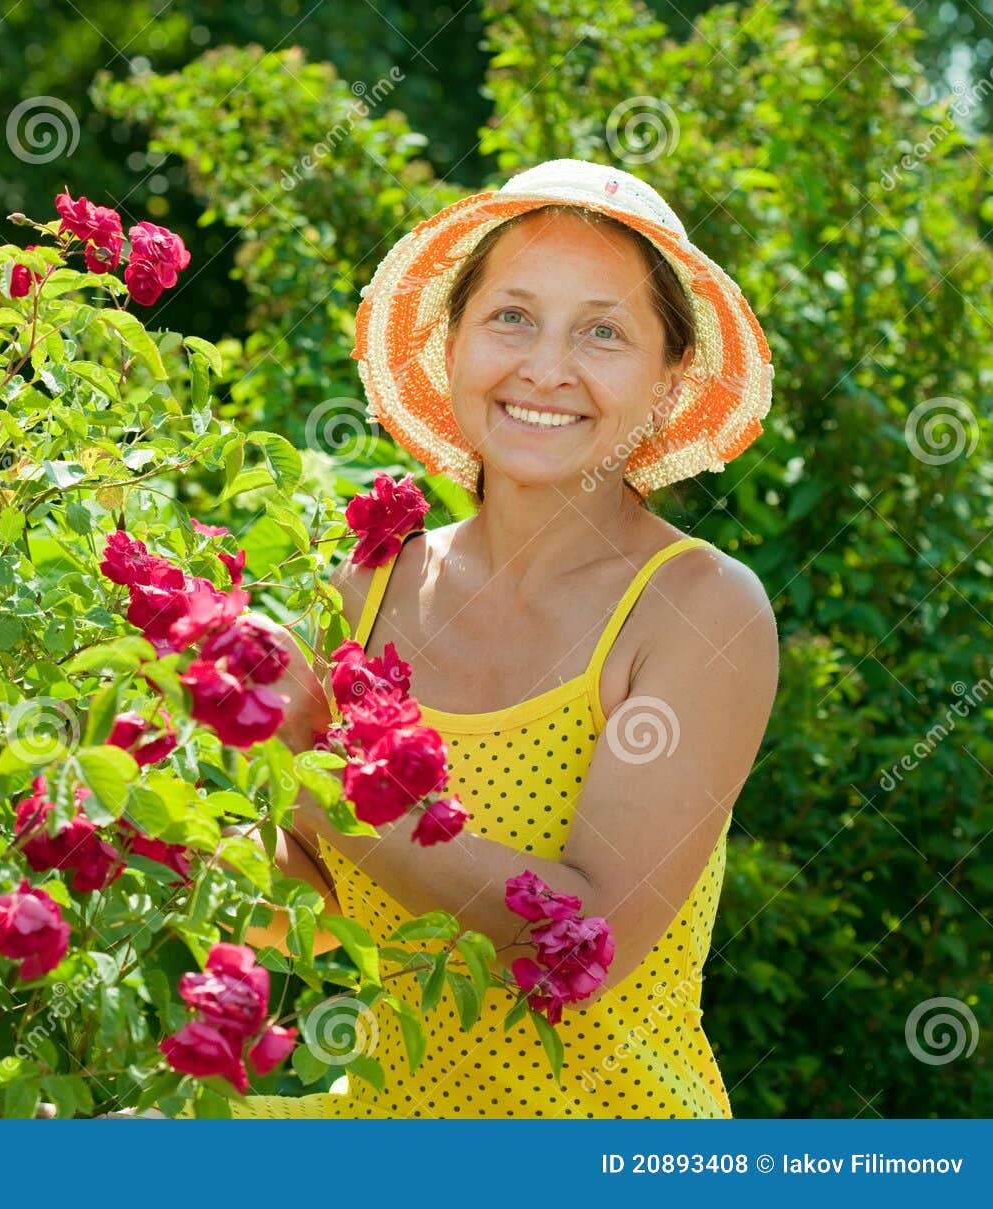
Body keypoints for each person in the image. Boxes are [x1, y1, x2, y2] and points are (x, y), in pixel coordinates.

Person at [213, 158, 780, 1118]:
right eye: (512, 316)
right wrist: (188, 796)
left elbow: (579, 943)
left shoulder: (701, 609)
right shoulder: (368, 587)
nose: (546, 368)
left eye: (603, 331)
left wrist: (318, 770)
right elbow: (316, 907)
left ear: (665, 382)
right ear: (453, 344)